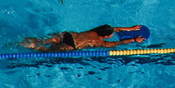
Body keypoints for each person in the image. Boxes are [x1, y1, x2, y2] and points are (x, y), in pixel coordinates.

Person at [22, 24, 150, 52]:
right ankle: (28, 46)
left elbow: (114, 29)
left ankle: (22, 41)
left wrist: (130, 28)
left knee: (40, 40)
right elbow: (116, 43)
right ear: (106, 37)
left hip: (67, 35)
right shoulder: (101, 42)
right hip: (71, 46)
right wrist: (134, 40)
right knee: (44, 50)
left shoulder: (95, 31)